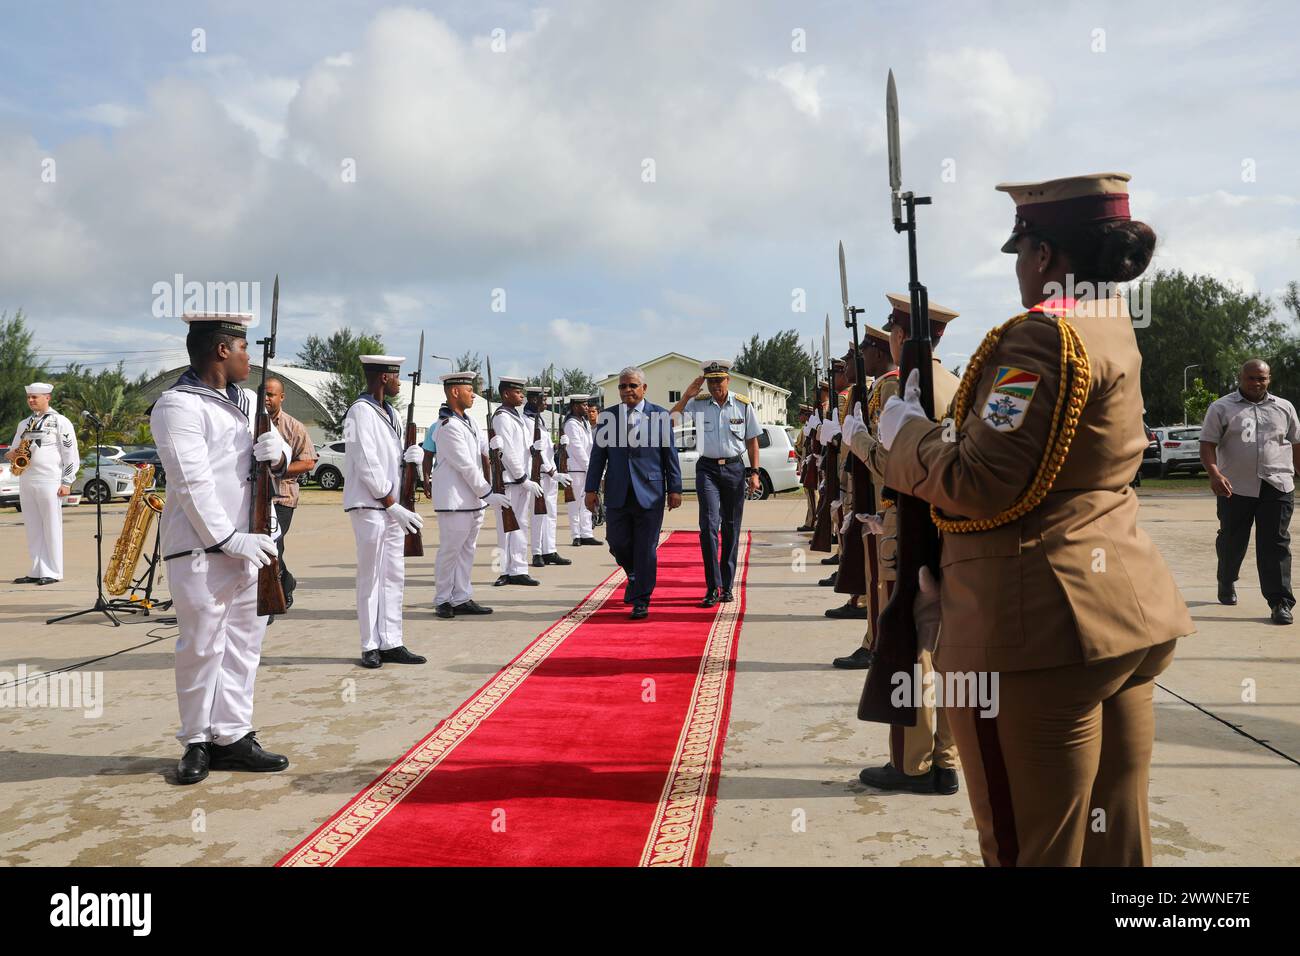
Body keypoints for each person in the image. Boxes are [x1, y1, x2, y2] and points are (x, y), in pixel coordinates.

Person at [872, 171, 1193, 864]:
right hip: (1123, 613)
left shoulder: (1040, 339)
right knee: (1116, 840)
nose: (1019, 268)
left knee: (1031, 848)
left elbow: (980, 480)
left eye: (1021, 252)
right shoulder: (1110, 325)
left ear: (1045, 256)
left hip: (1033, 628)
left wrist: (904, 433)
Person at [150, 312, 291, 785]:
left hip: (254, 542)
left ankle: (232, 735)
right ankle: (196, 740)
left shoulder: (250, 400)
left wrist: (280, 453)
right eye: (245, 347)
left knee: (244, 646)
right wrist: (227, 539)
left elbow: (266, 463)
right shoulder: (177, 405)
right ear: (222, 350)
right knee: (201, 646)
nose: (250, 357)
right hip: (202, 548)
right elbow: (191, 482)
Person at [841, 295, 963, 795]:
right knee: (952, 651)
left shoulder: (901, 391)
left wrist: (857, 441)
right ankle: (948, 758)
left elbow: (896, 469)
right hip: (956, 535)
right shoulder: (961, 384)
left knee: (914, 649)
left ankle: (912, 763)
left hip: (911, 533)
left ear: (899, 336)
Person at [343, 354, 427, 669]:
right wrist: (391, 502)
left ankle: (391, 640)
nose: (399, 382)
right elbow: (366, 461)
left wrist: (411, 459)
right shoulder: (359, 412)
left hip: (391, 508)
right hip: (370, 505)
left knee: (393, 575)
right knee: (371, 576)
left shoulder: (390, 412)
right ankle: (369, 644)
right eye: (396, 376)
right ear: (382, 377)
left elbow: (391, 460)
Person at [1201, 359, 1300, 623]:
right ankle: (1226, 579)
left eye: (1262, 378)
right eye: (1251, 378)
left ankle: (1280, 602)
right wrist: (1215, 474)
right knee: (1232, 541)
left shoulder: (1284, 407)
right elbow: (1207, 445)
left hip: (1277, 484)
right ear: (1240, 378)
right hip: (1234, 487)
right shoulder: (1221, 407)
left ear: (1269, 379)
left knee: (1275, 544)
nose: (1257, 383)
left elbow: (1296, 444)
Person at [584, 366, 682, 619]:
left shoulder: (660, 416)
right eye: (623, 386)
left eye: (632, 386)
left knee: (646, 547)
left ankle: (641, 599)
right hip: (617, 491)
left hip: (650, 492)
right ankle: (635, 575)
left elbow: (669, 455)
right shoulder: (608, 417)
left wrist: (675, 488)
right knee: (617, 542)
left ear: (644, 388)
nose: (627, 390)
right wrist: (591, 489)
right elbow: (598, 457)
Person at [833, 325, 897, 669]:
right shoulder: (877, 388)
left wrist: (856, 440)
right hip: (875, 498)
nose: (852, 364)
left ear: (878, 350)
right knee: (877, 576)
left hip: (886, 501)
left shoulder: (889, 387)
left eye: (862, 352)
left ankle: (878, 643)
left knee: (884, 578)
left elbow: (886, 458)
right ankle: (874, 638)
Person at [671, 359, 761, 608]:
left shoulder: (742, 405)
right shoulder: (698, 404)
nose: (714, 386)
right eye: (710, 381)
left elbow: (752, 440)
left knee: (731, 527)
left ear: (728, 380)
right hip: (707, 469)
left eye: (718, 380)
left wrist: (754, 473)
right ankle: (712, 587)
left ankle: (727, 586)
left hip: (734, 468)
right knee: (708, 526)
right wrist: (687, 394)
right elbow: (670, 421)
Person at [427, 370, 511, 619]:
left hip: (472, 502)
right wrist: (487, 493)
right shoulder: (447, 427)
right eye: (468, 389)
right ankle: (443, 599)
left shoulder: (470, 422)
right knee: (450, 551)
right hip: (455, 501)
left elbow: (481, 451)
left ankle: (461, 596)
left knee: (467, 551)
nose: (473, 394)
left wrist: (496, 446)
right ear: (455, 392)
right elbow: (466, 465)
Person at [7, 382, 79, 585]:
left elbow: (70, 454)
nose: (31, 400)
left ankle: (53, 571)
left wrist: (67, 481)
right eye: (29, 397)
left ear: (47, 397)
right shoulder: (24, 424)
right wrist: (13, 454)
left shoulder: (60, 422)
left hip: (50, 480)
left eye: (35, 397)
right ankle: (37, 569)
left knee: (51, 525)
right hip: (27, 479)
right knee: (32, 526)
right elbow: (13, 450)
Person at [263, 377, 316, 611]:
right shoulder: (251, 423)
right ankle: (286, 582)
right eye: (263, 394)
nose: (266, 398)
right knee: (264, 546)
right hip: (258, 495)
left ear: (281, 397)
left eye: (271, 395)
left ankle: (274, 599)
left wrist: (281, 468)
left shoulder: (293, 427)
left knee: (275, 545)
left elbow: (308, 461)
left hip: (283, 496)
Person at [827, 350, 869, 620]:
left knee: (855, 525)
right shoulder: (847, 396)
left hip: (860, 471)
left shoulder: (853, 395)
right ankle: (849, 575)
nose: (837, 377)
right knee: (843, 520)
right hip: (850, 467)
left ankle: (861, 599)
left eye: (839, 371)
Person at [490, 376, 545, 586]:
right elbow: (507, 452)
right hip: (508, 480)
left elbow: (519, 447)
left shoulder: (516, 416)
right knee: (505, 528)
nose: (522, 395)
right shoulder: (502, 417)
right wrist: (523, 478)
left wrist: (532, 450)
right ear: (505, 394)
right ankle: (503, 571)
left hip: (520, 480)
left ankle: (518, 569)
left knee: (520, 525)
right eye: (517, 391)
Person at [525, 385, 573, 568]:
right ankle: (537, 552)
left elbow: (544, 450)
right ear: (533, 400)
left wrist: (557, 447)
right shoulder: (527, 422)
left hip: (551, 476)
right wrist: (552, 472)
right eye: (543, 399)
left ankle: (549, 550)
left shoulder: (540, 421)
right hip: (540, 475)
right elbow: (533, 452)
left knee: (551, 515)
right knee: (538, 515)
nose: (546, 402)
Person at [562, 394, 601, 546]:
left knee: (586, 503)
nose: (586, 407)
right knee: (575, 504)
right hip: (576, 470)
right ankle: (576, 535)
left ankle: (586, 533)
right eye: (583, 405)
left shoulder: (583, 422)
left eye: (586, 404)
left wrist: (594, 466)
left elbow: (590, 446)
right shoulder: (571, 424)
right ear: (574, 406)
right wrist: (590, 467)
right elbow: (577, 449)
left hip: (586, 468)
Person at [795, 404, 816, 532]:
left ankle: (812, 522)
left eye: (801, 414)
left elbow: (798, 447)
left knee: (812, 495)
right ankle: (811, 520)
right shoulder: (806, 428)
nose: (799, 417)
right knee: (811, 495)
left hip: (810, 466)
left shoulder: (806, 429)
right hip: (808, 465)